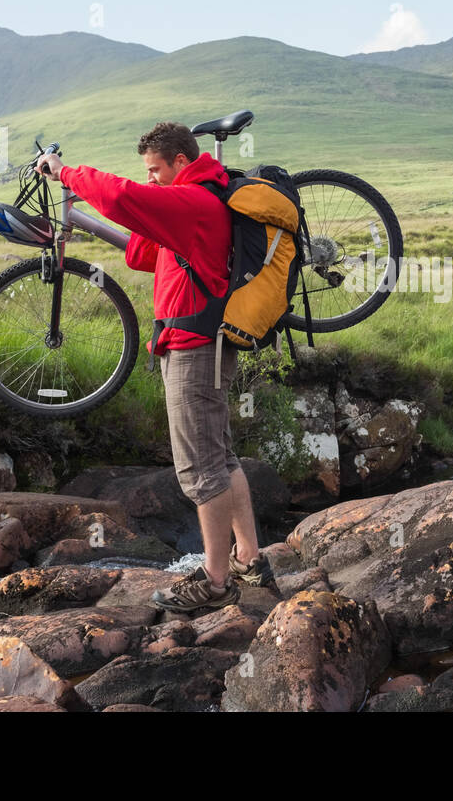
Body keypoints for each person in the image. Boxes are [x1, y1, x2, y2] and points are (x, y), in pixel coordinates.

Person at [34, 122, 274, 610]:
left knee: (201, 471)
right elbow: (144, 250)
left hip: (194, 348)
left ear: (181, 162)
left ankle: (215, 581)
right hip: (194, 344)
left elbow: (122, 198)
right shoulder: (192, 203)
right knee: (223, 459)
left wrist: (66, 174)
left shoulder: (196, 200)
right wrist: (117, 213)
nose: (151, 181)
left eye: (156, 171)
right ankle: (250, 561)